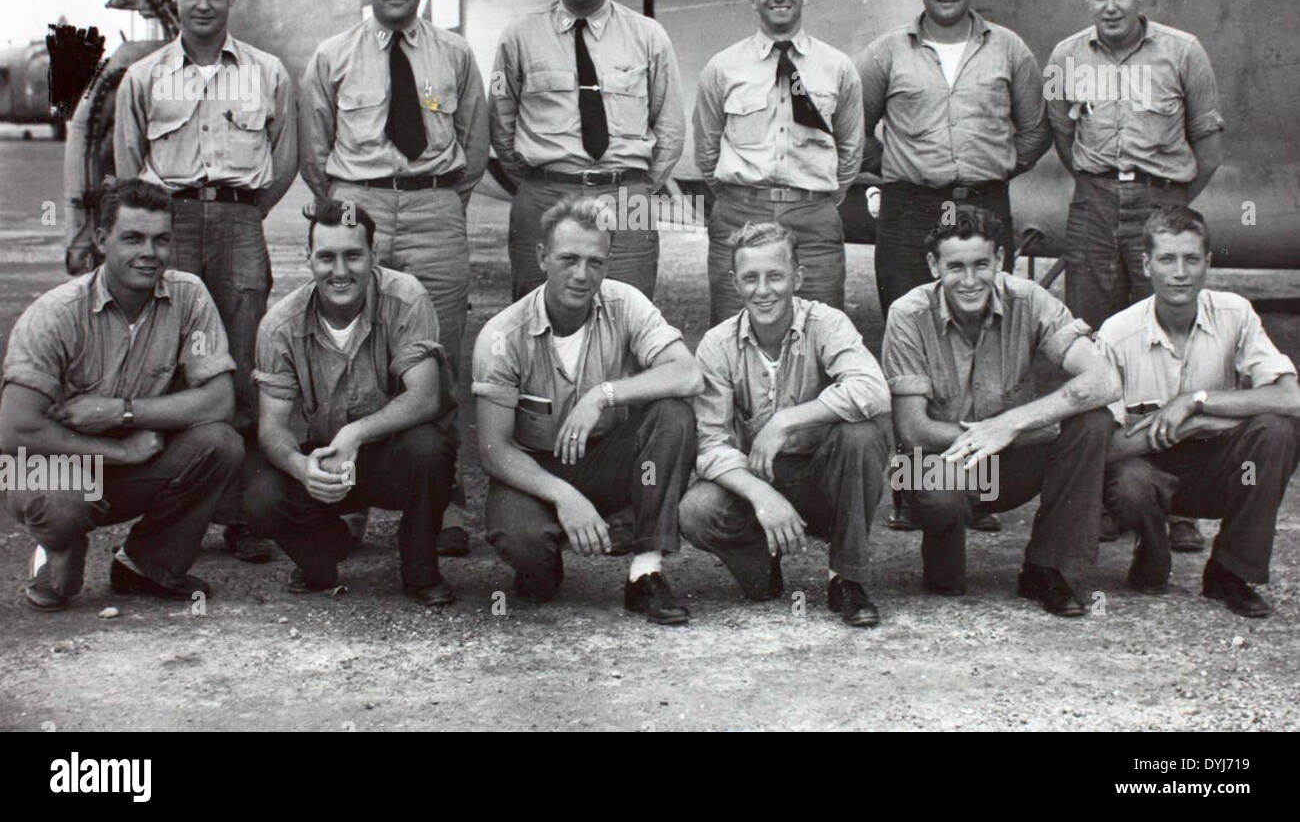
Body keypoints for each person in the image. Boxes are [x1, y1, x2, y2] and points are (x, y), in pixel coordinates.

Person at [299, 0, 489, 556]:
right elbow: (314, 154)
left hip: (435, 209)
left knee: (436, 355)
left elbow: (476, 143)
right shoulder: (332, 57)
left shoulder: (455, 54)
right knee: (354, 350)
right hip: (360, 207)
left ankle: (443, 500)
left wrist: (436, 202)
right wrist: (358, 206)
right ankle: (350, 492)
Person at [859, 0, 1049, 531]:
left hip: (984, 208)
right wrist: (889, 172)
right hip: (910, 208)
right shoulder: (886, 52)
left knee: (982, 340)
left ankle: (972, 486)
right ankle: (913, 489)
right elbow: (855, 127)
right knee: (909, 339)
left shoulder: (1010, 49)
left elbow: (1035, 129)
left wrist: (992, 170)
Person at [115, 0, 297, 563]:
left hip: (241, 223)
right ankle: (175, 508)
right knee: (168, 361)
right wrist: (162, 227)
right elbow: (128, 168)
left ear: (233, 0)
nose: (202, 5)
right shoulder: (143, 78)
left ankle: (243, 513)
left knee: (242, 362)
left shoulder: (266, 72)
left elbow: (287, 155)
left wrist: (246, 214)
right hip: (171, 223)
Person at [1045, 0, 1226, 555]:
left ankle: (1178, 501)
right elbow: (1064, 137)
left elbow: (1208, 142)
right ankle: (1102, 494)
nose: (1111, 5)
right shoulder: (1067, 56)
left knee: (1175, 346)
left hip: (1161, 204)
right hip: (1094, 204)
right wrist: (1105, 186)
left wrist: (1169, 201)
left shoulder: (1184, 51)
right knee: (1095, 345)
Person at [0, 180, 242, 611]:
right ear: (100, 240)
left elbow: (218, 401)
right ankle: (56, 547)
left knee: (220, 443)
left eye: (161, 239)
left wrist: (121, 412)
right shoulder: (55, 315)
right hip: (55, 468)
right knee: (59, 511)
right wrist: (124, 452)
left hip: (132, 455)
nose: (149, 253)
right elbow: (16, 430)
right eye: (132, 238)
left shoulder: (188, 296)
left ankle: (148, 564)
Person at [472, 196, 702, 623]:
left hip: (608, 459)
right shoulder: (502, 335)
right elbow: (493, 450)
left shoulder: (625, 303)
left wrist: (603, 395)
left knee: (673, 415)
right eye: (568, 259)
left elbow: (688, 375)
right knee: (519, 538)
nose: (582, 275)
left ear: (608, 262)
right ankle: (544, 561)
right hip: (536, 469)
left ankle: (645, 572)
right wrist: (565, 497)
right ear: (542, 257)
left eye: (595, 262)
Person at [881, 206, 1120, 617]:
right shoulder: (908, 314)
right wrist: (985, 435)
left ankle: (1049, 569)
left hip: (1009, 459)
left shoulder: (1029, 299)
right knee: (942, 547)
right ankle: (941, 556)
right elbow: (912, 431)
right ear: (933, 265)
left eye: (981, 265)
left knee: (1093, 421)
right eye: (955, 266)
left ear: (1000, 260)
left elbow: (1105, 381)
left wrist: (1009, 424)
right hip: (936, 464)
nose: (970, 280)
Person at [245, 200, 458, 605]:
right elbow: (271, 427)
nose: (340, 271)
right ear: (308, 259)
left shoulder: (406, 297)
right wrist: (301, 468)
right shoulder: (279, 324)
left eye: (353, 256)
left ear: (373, 256)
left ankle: (420, 571)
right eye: (326, 257)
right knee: (260, 496)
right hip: (326, 460)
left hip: (391, 454)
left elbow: (426, 396)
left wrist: (356, 433)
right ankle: (321, 555)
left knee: (429, 447)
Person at [681, 222, 892, 627]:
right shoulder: (717, 344)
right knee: (697, 510)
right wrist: (764, 497)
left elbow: (873, 389)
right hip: (759, 477)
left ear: (798, 276)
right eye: (750, 278)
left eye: (775, 276)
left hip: (822, 477)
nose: (764, 290)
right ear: (734, 282)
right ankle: (763, 558)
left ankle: (846, 578)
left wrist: (785, 420)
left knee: (863, 435)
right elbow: (710, 445)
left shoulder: (826, 323)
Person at [1098, 206, 1299, 616]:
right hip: (1147, 468)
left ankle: (1229, 571)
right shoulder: (1118, 333)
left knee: (1276, 432)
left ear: (1208, 262)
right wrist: (1180, 429)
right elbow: (1102, 446)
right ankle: (1152, 553)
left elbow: (1290, 397)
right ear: (1146, 263)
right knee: (1130, 483)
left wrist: (1195, 405)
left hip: (1217, 465)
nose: (1180, 272)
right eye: (1167, 259)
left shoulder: (1234, 312)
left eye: (1192, 259)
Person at [490, 0, 684, 300]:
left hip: (627, 198)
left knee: (629, 319)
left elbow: (670, 126)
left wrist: (636, 188)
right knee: (538, 321)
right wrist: (541, 179)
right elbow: (501, 123)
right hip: (545, 195)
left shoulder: (648, 36)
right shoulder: (519, 37)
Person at [693, 0, 864, 326]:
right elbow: (707, 148)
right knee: (731, 328)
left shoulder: (838, 67)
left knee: (822, 327)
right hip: (741, 213)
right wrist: (745, 196)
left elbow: (850, 149)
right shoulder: (722, 68)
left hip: (813, 218)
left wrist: (813, 199)